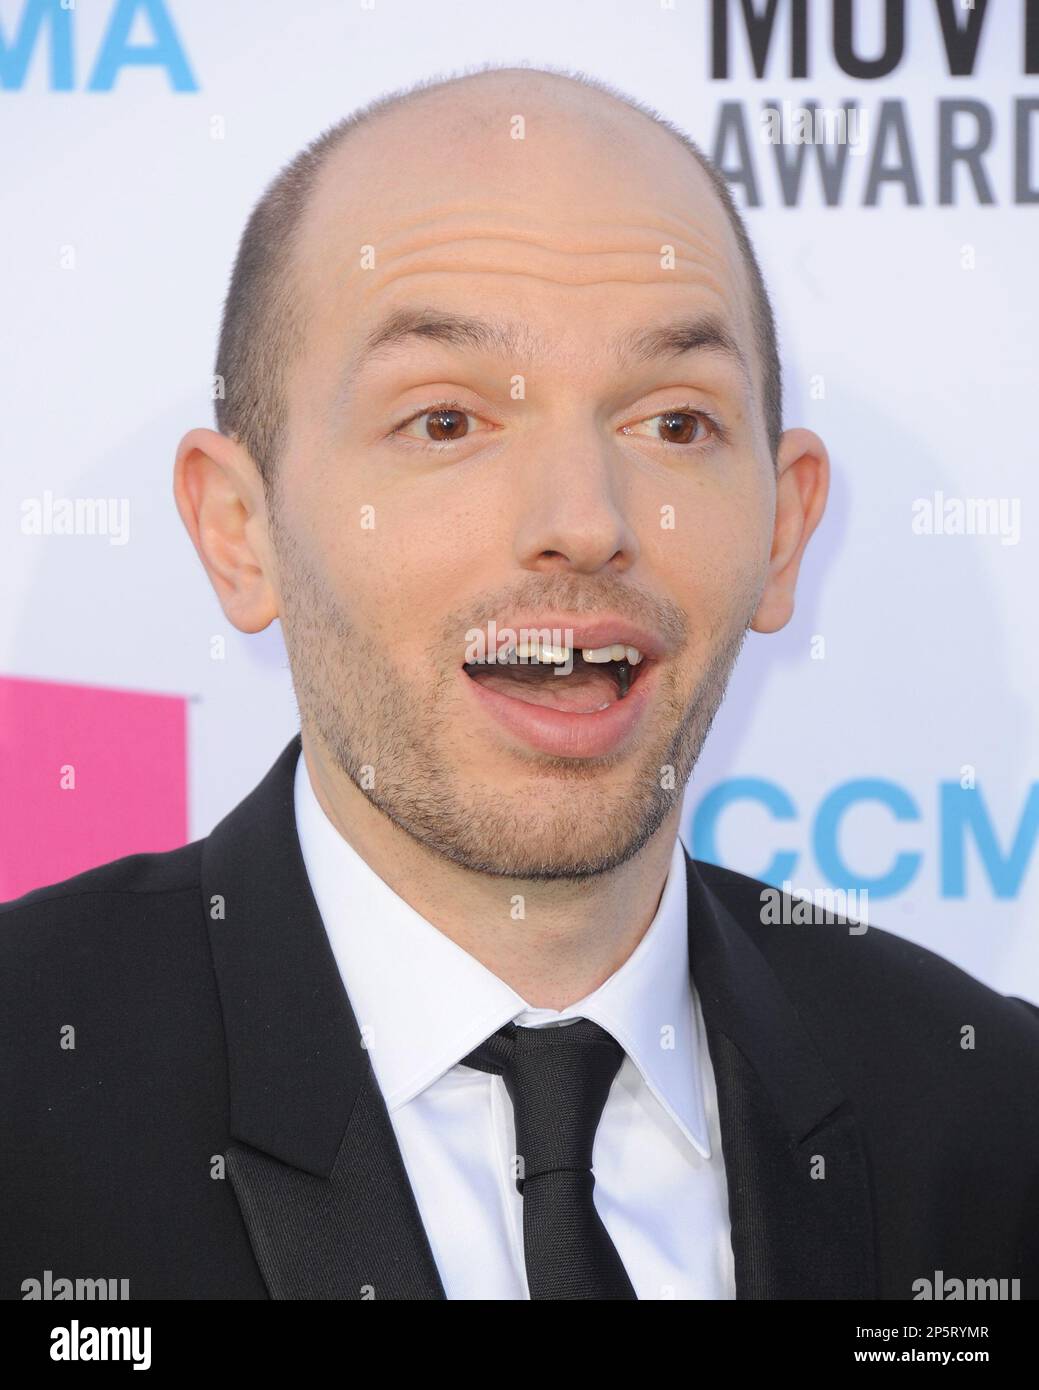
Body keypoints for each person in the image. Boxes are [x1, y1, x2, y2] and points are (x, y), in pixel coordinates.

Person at [3, 63, 1038, 1302]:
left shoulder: (992, 1126)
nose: (584, 520)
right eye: (445, 422)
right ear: (240, 529)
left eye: (674, 423)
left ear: (782, 530)